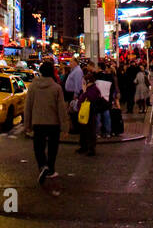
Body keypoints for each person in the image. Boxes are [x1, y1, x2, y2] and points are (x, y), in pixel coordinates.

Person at [24, 61, 66, 193]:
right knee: (53, 147)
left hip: (38, 122)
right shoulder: (56, 88)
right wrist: (65, 127)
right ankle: (51, 168)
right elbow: (61, 109)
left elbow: (28, 107)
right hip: (53, 123)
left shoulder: (33, 87)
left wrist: (27, 124)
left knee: (38, 147)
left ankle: (42, 166)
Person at [75, 69, 106, 157]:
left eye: (83, 82)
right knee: (84, 130)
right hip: (85, 113)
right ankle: (84, 146)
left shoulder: (93, 89)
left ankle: (91, 148)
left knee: (90, 130)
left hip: (90, 113)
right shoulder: (91, 89)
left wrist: (84, 92)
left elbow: (88, 98)